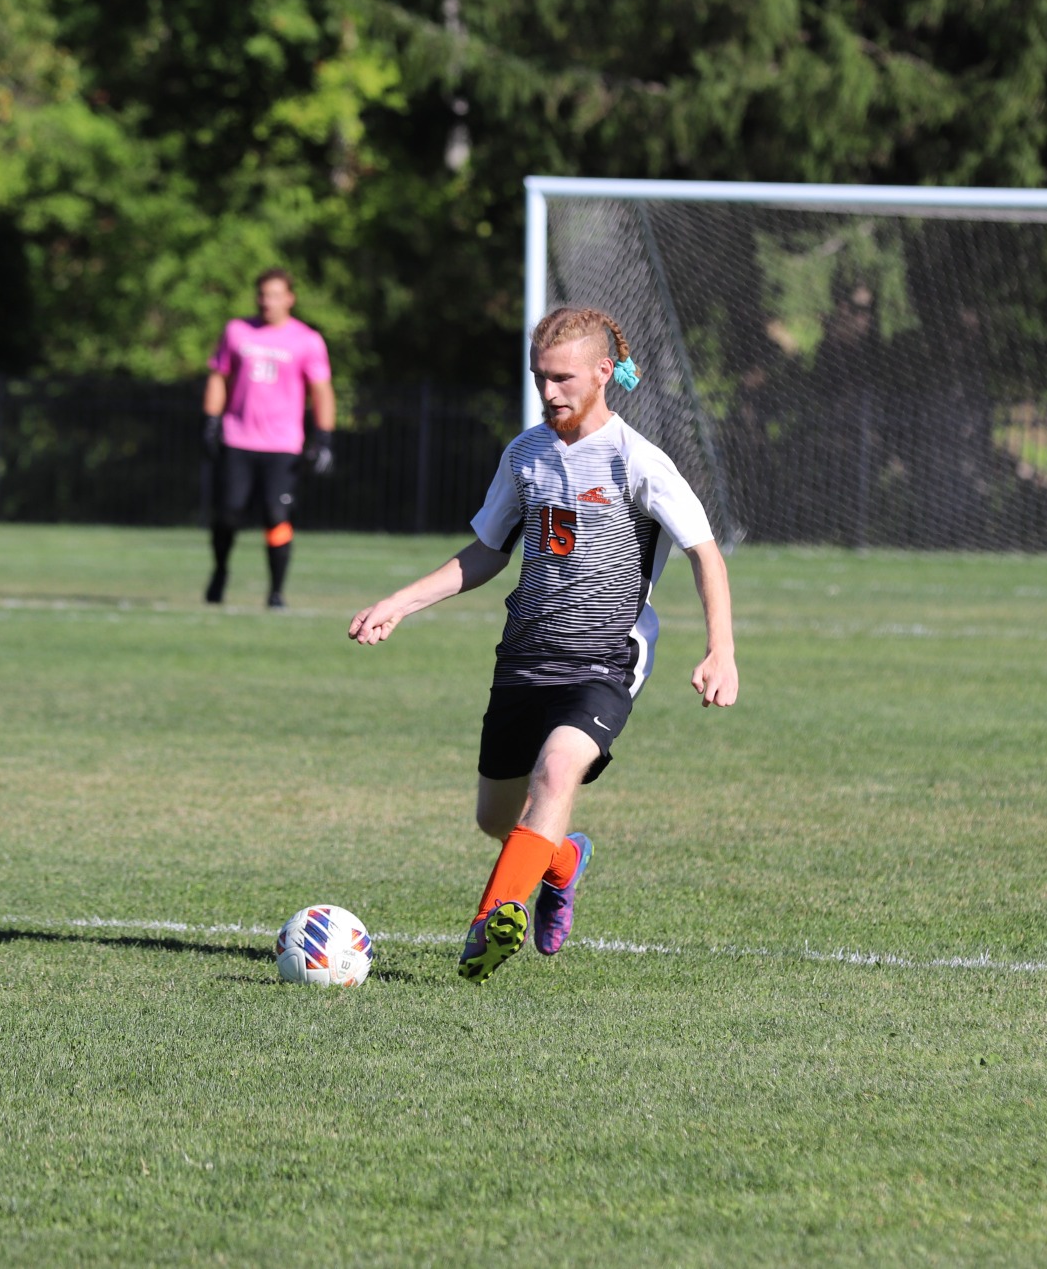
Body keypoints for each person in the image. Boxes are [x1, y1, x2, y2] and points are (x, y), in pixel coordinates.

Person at [348, 306, 738, 983]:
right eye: (540, 378)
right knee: (496, 817)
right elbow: (486, 551)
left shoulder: (637, 460)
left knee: (557, 774)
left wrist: (721, 649)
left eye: (562, 378)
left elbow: (706, 552)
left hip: (605, 656)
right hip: (525, 655)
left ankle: (490, 922)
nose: (550, 391)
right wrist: (400, 602)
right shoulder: (525, 453)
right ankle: (563, 860)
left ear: (601, 373)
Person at [203, 268, 336, 609]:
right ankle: (220, 571)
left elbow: (321, 391)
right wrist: (211, 421)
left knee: (277, 515)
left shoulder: (307, 339)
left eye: (275, 295)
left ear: (289, 298)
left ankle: (276, 591)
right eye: (263, 294)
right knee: (228, 513)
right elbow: (219, 376)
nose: (268, 301)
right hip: (238, 438)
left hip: (283, 445)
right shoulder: (237, 331)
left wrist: (324, 438)